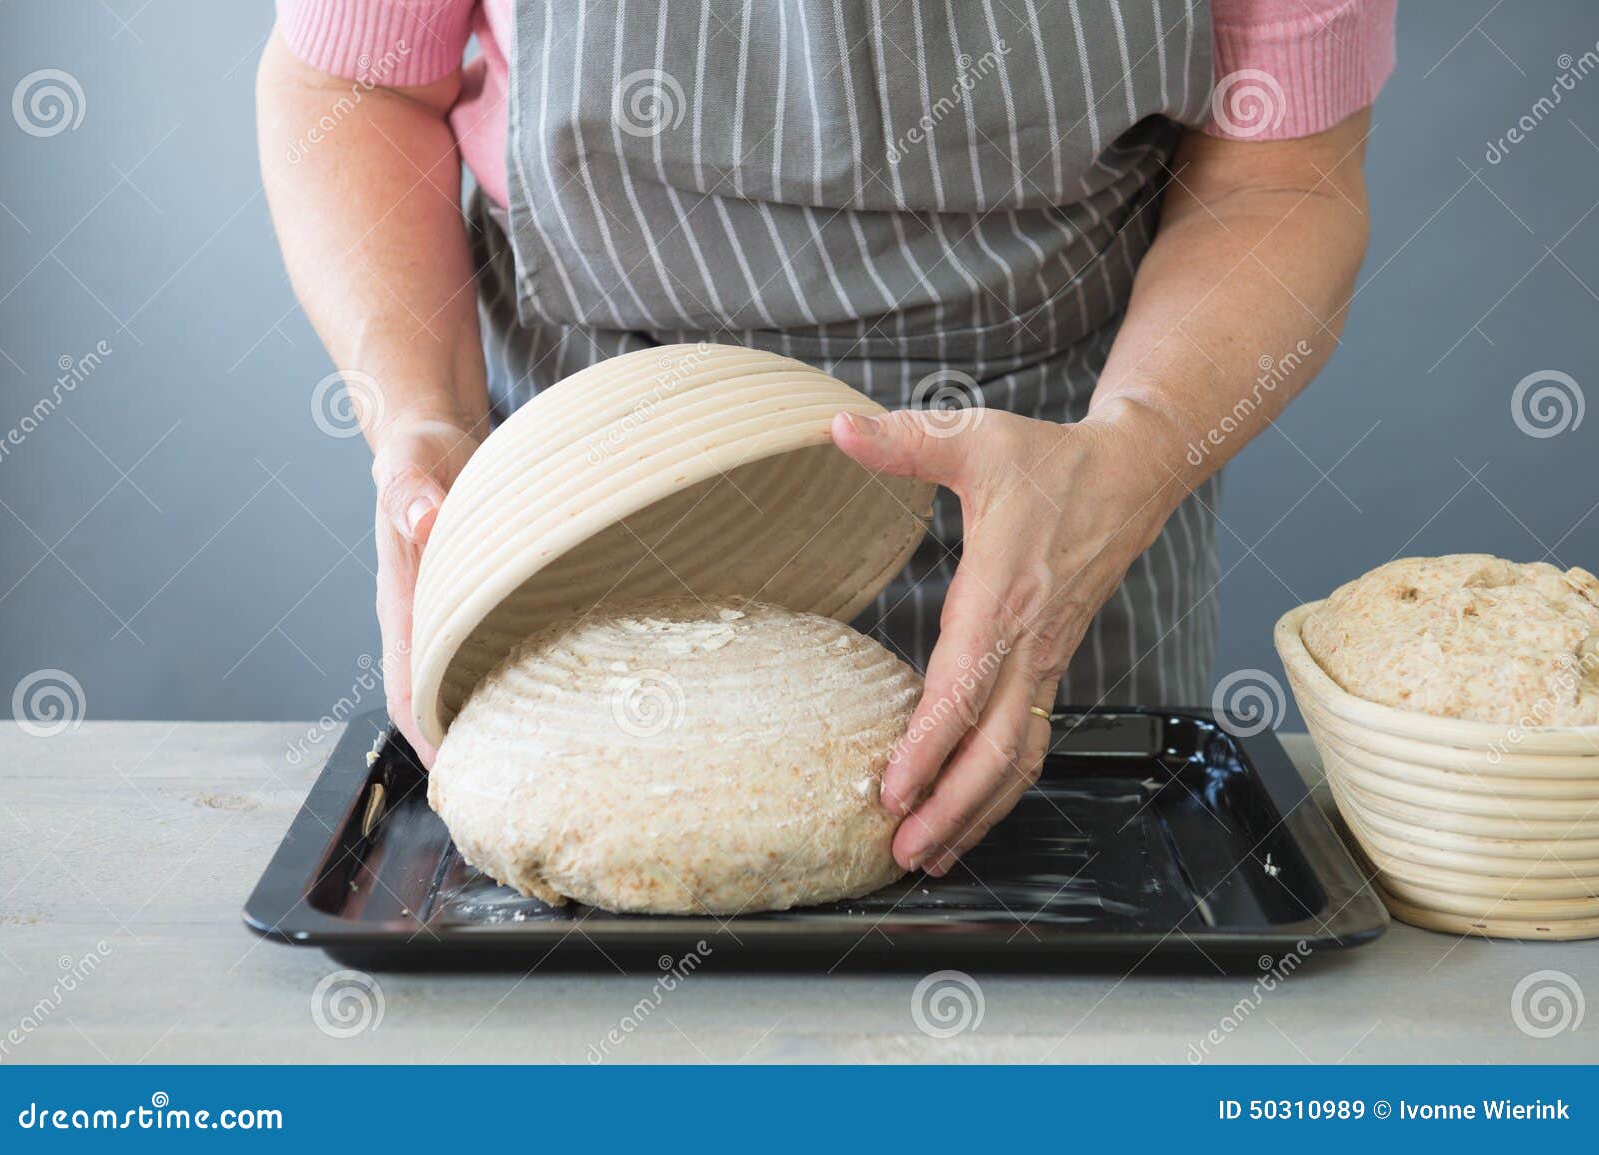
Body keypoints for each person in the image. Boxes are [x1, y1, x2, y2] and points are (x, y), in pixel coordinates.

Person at [259, 0, 1395, 878]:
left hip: (1050, 496)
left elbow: (1279, 176)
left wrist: (1131, 450)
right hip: (589, 493)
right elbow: (353, 85)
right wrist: (420, 420)